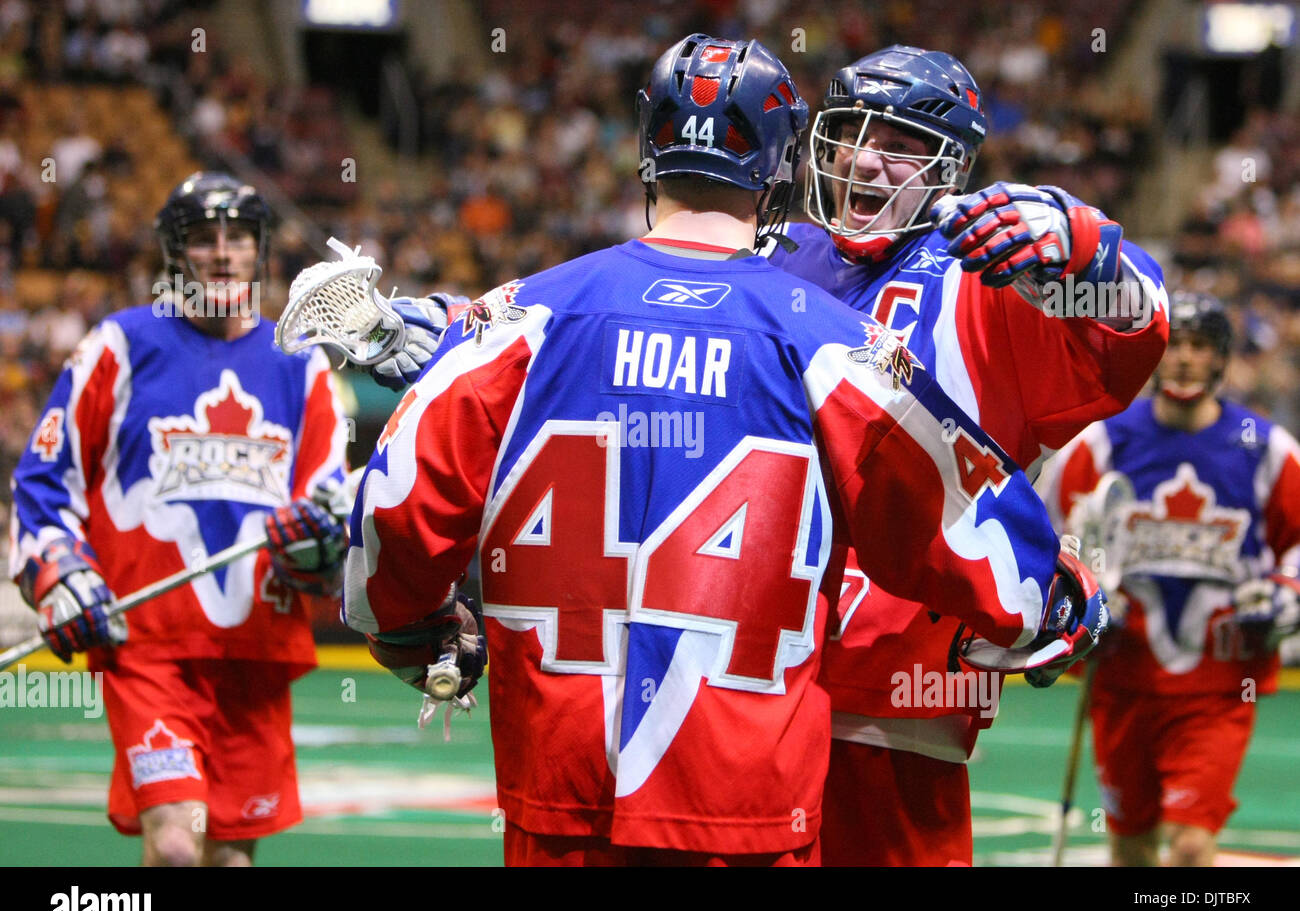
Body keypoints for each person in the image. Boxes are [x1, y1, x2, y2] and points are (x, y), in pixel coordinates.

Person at [341, 35, 1103, 867]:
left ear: (646, 149)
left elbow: (394, 509)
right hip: (744, 803)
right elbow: (949, 509)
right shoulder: (834, 343)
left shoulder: (520, 319)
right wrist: (1047, 592)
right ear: (781, 167)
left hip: (558, 794)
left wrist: (410, 628)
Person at [760, 45, 1170, 866]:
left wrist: (1081, 244)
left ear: (949, 166)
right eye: (850, 135)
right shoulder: (770, 254)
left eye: (902, 143)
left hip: (892, 683)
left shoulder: (986, 272)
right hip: (738, 660)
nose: (866, 159)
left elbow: (1133, 327)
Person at [8, 172, 349, 866]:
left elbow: (328, 512)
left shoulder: (300, 364)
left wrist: (317, 548)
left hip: (253, 648)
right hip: (150, 643)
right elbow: (44, 478)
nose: (222, 254)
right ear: (175, 255)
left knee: (228, 858)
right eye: (202, 239)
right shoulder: (120, 346)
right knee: (174, 842)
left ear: (259, 254)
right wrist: (59, 573)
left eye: (237, 239)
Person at [1040, 291, 1300, 866]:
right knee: (1131, 845)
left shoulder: (1265, 449)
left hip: (1220, 680)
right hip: (1124, 673)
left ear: (1220, 358)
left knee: (1188, 846)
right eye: (1173, 345)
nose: (1184, 358)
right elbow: (1050, 541)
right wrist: (1079, 603)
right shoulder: (1103, 440)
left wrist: (1285, 595)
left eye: (1199, 346)